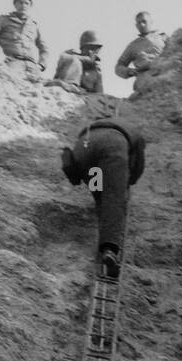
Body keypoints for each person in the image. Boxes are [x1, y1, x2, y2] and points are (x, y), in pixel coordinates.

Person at [59, 114, 145, 279]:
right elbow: (138, 167)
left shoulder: (94, 125)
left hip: (84, 148)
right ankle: (109, 250)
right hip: (113, 146)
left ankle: (104, 228)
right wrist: (126, 182)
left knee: (100, 194)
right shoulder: (134, 132)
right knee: (114, 197)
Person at [0, 0, 48, 74]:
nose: (23, 5)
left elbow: (44, 48)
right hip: (12, 62)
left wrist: (41, 64)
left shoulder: (33, 26)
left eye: (26, 3)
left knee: (39, 85)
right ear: (15, 5)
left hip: (32, 65)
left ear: (30, 6)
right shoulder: (3, 20)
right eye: (20, 2)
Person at [114, 12, 167, 89]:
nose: (142, 25)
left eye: (144, 21)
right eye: (139, 23)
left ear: (151, 22)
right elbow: (118, 67)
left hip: (163, 73)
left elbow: (175, 50)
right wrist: (129, 71)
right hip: (144, 80)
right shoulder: (133, 45)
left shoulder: (162, 37)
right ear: (136, 26)